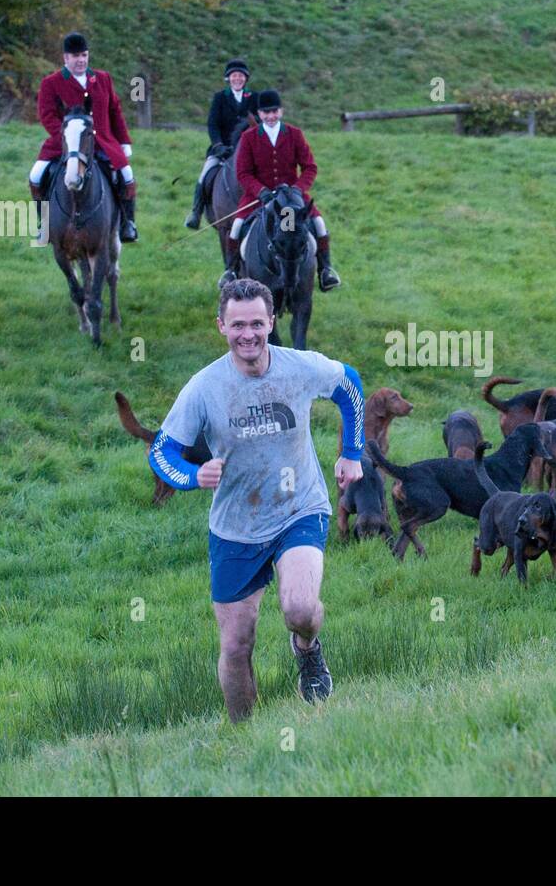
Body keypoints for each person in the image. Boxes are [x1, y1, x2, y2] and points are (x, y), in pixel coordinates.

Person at [147, 277, 365, 722]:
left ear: (271, 323)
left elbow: (350, 384)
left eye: (257, 324)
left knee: (300, 608)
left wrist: (351, 453)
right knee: (235, 644)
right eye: (238, 325)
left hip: (298, 508)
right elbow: (161, 451)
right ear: (221, 327)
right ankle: (245, 737)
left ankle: (307, 650)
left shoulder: (299, 367)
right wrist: (192, 475)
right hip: (236, 527)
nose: (248, 334)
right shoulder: (204, 386)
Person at [223, 89, 341, 291]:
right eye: (266, 113)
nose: (271, 116)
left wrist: (297, 189)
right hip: (259, 197)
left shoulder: (295, 134)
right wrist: (261, 192)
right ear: (259, 114)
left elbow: (310, 167)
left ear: (281, 111)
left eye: (274, 111)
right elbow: (243, 173)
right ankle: (231, 271)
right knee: (236, 228)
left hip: (293, 199)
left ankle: (325, 270)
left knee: (319, 224)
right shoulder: (249, 137)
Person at [28, 32, 139, 243]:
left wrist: (123, 140)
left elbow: (115, 110)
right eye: (76, 56)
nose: (81, 60)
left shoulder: (102, 78)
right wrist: (65, 137)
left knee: (127, 174)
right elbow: (46, 115)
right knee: (35, 175)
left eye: (84, 55)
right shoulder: (51, 82)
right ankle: (44, 224)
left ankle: (128, 223)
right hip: (65, 144)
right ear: (65, 58)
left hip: (103, 143)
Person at [184, 58, 258, 229]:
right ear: (228, 79)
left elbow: (259, 124)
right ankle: (196, 211)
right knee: (206, 174)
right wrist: (218, 145)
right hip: (223, 148)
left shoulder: (255, 97)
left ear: (245, 79)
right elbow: (213, 124)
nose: (237, 78)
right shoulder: (220, 98)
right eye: (234, 76)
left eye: (240, 76)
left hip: (250, 149)